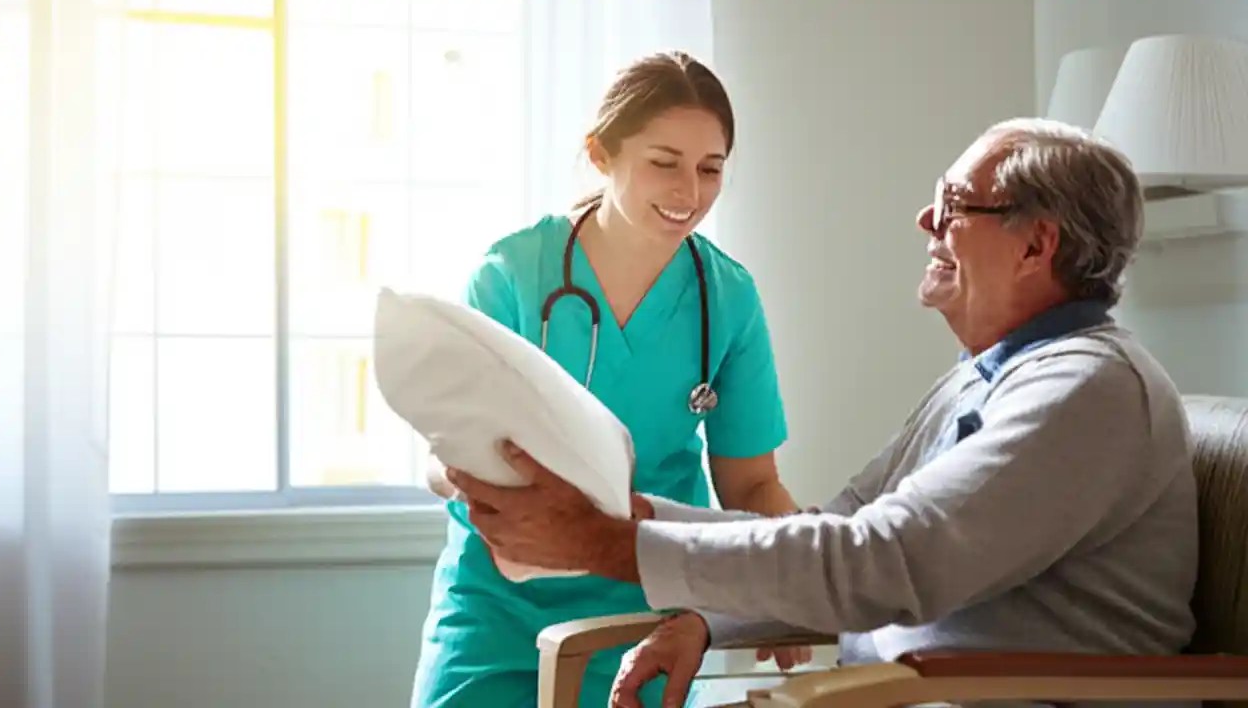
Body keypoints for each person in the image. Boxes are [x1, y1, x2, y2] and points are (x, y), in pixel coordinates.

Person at [446, 118, 1200, 708]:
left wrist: (613, 542)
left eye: (954, 204)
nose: (924, 221)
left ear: (1037, 244)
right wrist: (699, 606)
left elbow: (885, 563)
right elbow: (843, 522)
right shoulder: (989, 378)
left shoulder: (1085, 391)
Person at [410, 51, 809, 708]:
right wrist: (462, 472)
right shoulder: (513, 276)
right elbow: (440, 455)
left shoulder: (727, 300)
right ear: (601, 154)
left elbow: (753, 482)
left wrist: (792, 580)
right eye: (664, 162)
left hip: (643, 604)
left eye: (711, 169)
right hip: (498, 604)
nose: (689, 192)